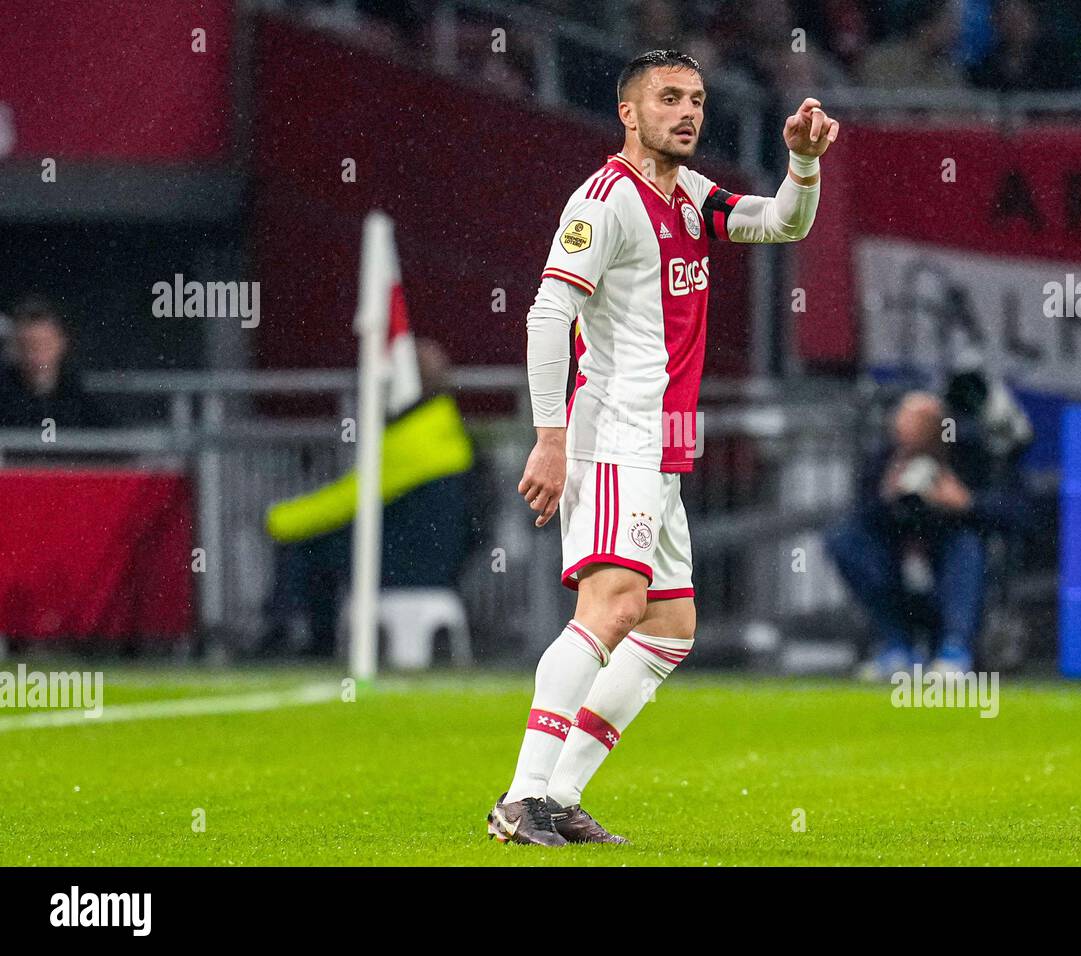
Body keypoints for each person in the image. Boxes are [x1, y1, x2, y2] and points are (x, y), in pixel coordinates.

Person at [488, 49, 837, 846]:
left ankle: (559, 795)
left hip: (664, 446)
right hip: (614, 434)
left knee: (670, 629)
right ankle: (521, 796)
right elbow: (547, 315)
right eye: (669, 98)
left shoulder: (689, 195)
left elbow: (783, 221)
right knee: (611, 608)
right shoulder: (605, 202)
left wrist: (803, 163)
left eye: (698, 100)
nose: (688, 113)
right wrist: (550, 436)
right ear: (629, 113)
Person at [255, 339, 475, 658]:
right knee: (319, 544)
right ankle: (306, 639)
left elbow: (347, 501)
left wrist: (279, 520)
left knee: (306, 545)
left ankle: (300, 641)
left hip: (411, 565)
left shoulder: (416, 438)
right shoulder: (442, 427)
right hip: (435, 563)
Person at [824, 390, 1007, 681]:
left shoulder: (966, 454)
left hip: (949, 555)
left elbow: (1014, 513)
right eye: (904, 419)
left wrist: (966, 502)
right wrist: (887, 497)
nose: (905, 426)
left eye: (920, 420)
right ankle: (897, 647)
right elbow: (860, 517)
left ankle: (955, 650)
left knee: (967, 547)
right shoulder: (884, 459)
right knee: (844, 540)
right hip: (896, 557)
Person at [0, 296, 114, 429]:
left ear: (61, 343)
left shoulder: (82, 402)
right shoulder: (4, 399)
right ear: (14, 348)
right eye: (28, 346)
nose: (37, 355)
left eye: (45, 345)